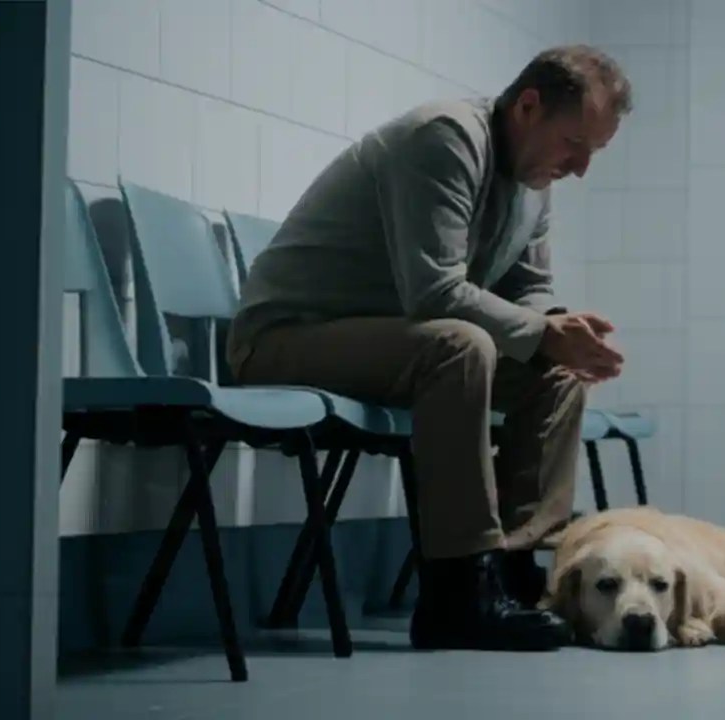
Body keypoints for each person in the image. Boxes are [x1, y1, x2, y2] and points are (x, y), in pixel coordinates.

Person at [225, 45, 632, 651]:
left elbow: (530, 291)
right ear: (528, 106)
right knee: (461, 347)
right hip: (284, 337)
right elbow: (434, 291)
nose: (580, 169)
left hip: (383, 342)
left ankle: (516, 575)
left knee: (557, 372)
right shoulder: (444, 139)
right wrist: (543, 333)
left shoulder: (531, 181)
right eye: (575, 144)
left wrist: (561, 330)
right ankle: (456, 593)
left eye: (592, 152)